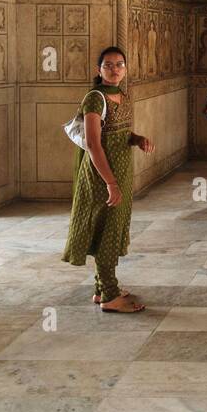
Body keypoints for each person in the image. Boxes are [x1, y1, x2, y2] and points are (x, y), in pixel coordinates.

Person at [62, 46, 156, 313]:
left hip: (120, 173)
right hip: (101, 177)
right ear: (98, 69)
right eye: (109, 65)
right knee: (107, 232)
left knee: (111, 228)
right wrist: (110, 183)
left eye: (120, 65)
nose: (115, 69)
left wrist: (137, 139)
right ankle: (111, 296)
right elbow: (93, 143)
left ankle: (101, 287)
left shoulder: (123, 96)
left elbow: (119, 132)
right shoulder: (95, 98)